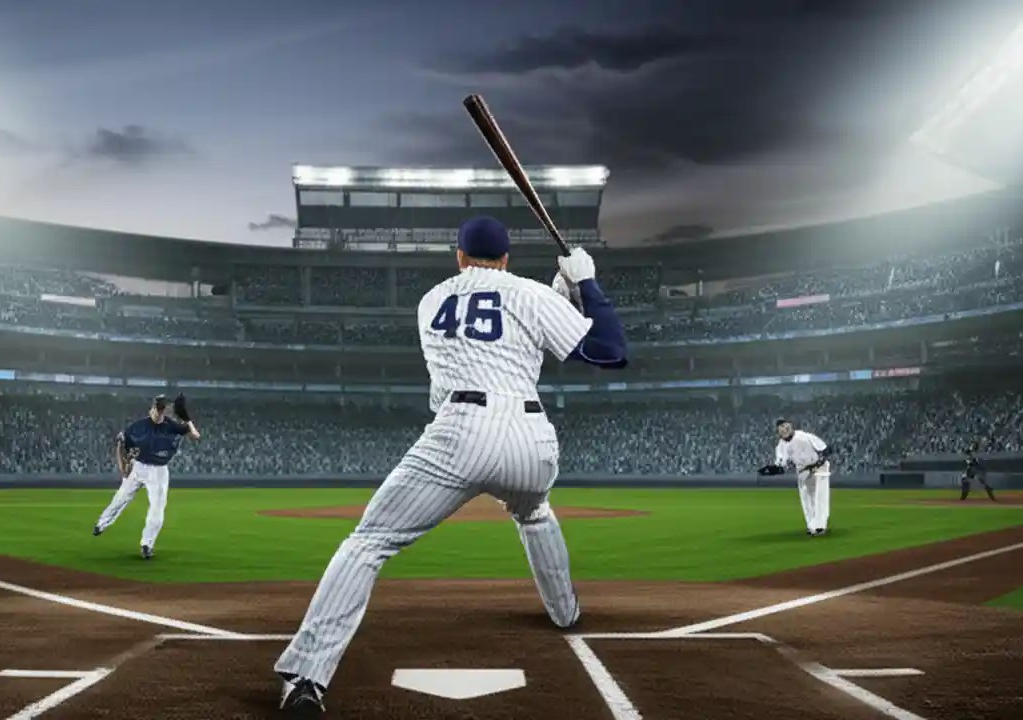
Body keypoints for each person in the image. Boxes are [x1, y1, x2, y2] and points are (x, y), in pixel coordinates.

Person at [272, 216, 628, 714]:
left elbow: (502, 334)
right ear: (506, 258)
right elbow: (608, 351)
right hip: (531, 440)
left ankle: (306, 677)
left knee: (368, 543)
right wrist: (583, 282)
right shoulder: (527, 292)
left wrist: (559, 290)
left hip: (459, 429)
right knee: (534, 511)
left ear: (459, 257)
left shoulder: (432, 301)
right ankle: (566, 613)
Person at [92, 394, 200, 559]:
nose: (159, 411)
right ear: (152, 408)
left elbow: (195, 436)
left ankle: (147, 544)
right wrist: (123, 467)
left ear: (165, 410)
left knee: (157, 509)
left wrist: (187, 418)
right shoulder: (137, 427)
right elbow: (121, 444)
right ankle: (101, 524)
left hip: (159, 471)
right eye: (157, 408)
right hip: (138, 466)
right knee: (120, 498)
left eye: (162, 408)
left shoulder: (171, 426)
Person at [759, 419, 833, 536]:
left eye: (785, 425)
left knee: (820, 495)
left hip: (819, 466)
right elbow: (781, 467)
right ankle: (811, 525)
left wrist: (820, 462)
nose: (784, 429)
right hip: (803, 470)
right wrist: (770, 470)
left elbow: (825, 449)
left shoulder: (804, 436)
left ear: (791, 426)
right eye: (780, 428)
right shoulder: (781, 446)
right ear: (778, 432)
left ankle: (820, 525)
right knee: (806, 498)